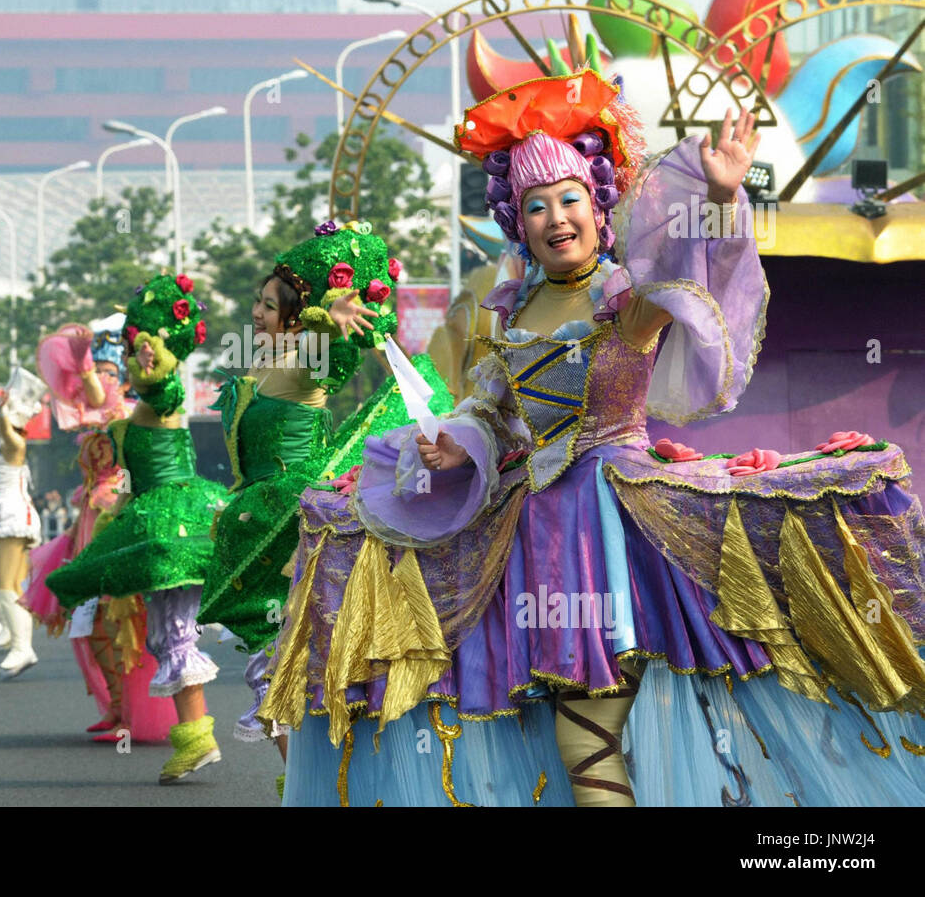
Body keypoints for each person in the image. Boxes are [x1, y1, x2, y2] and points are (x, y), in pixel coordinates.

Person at [260, 69, 925, 807]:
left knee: (588, 741)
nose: (554, 217)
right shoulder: (512, 308)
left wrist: (716, 195)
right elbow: (493, 411)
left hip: (614, 529)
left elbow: (685, 272)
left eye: (569, 198)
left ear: (597, 203)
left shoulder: (623, 297)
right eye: (534, 205)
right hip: (534, 536)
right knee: (572, 741)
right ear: (519, 221)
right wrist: (456, 444)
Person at [197, 221, 451, 766]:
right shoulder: (261, 366)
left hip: (293, 515)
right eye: (258, 302)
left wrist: (330, 318)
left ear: (296, 313)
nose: (256, 314)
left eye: (269, 305)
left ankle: (317, 783)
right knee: (275, 661)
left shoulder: (310, 360)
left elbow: (339, 343)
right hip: (257, 514)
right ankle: (310, 783)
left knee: (289, 659)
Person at [48, 274, 231, 783]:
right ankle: (202, 737)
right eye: (129, 349)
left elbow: (166, 387)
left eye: (135, 348)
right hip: (153, 517)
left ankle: (204, 739)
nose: (128, 360)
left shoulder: (157, 397)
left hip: (173, 525)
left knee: (174, 633)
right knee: (164, 634)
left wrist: (154, 368)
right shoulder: (137, 405)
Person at [24, 316, 175, 743]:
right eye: (99, 369)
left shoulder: (125, 411)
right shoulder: (95, 416)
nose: (103, 379)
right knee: (88, 620)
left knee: (118, 619)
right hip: (90, 519)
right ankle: (111, 707)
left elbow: (95, 396)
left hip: (117, 517)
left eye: (111, 371)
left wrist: (87, 367)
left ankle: (131, 714)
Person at [0, 371, 47, 679]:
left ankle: (23, 647)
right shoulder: (2, 445)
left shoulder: (15, 444)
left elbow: (4, 430)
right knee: (8, 587)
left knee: (3, 586)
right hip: (7, 517)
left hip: (17, 519)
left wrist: (1, 412)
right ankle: (20, 645)